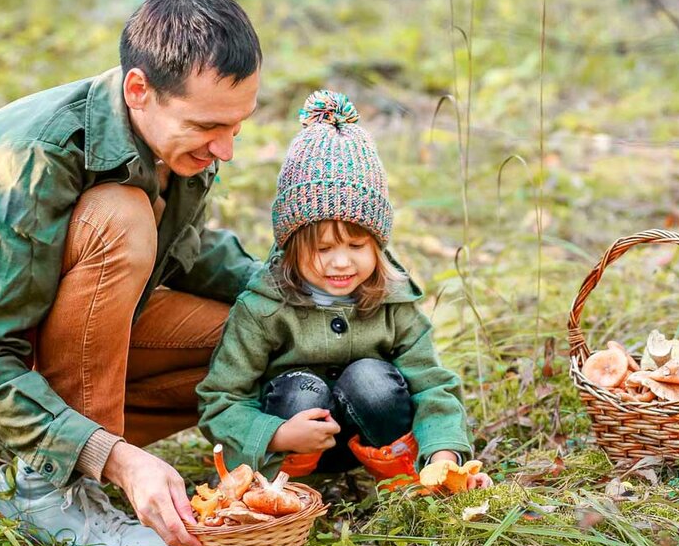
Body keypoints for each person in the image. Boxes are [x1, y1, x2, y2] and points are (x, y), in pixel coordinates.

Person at [0, 0, 263, 546]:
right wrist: (123, 461)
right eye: (207, 126)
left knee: (249, 334)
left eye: (238, 124)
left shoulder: (175, 141)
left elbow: (190, 253)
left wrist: (311, 293)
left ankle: (46, 447)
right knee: (118, 217)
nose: (225, 148)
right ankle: (51, 488)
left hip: (49, 328)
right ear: (139, 90)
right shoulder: (31, 156)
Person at [195, 90, 492, 492]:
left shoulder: (393, 301)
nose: (341, 263)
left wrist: (443, 454)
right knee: (303, 390)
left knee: (371, 379)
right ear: (292, 245)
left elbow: (431, 384)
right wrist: (275, 435)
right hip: (293, 440)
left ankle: (402, 475)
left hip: (372, 433)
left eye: (356, 247)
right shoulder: (264, 308)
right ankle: (288, 486)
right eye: (323, 248)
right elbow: (221, 399)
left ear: (379, 244)